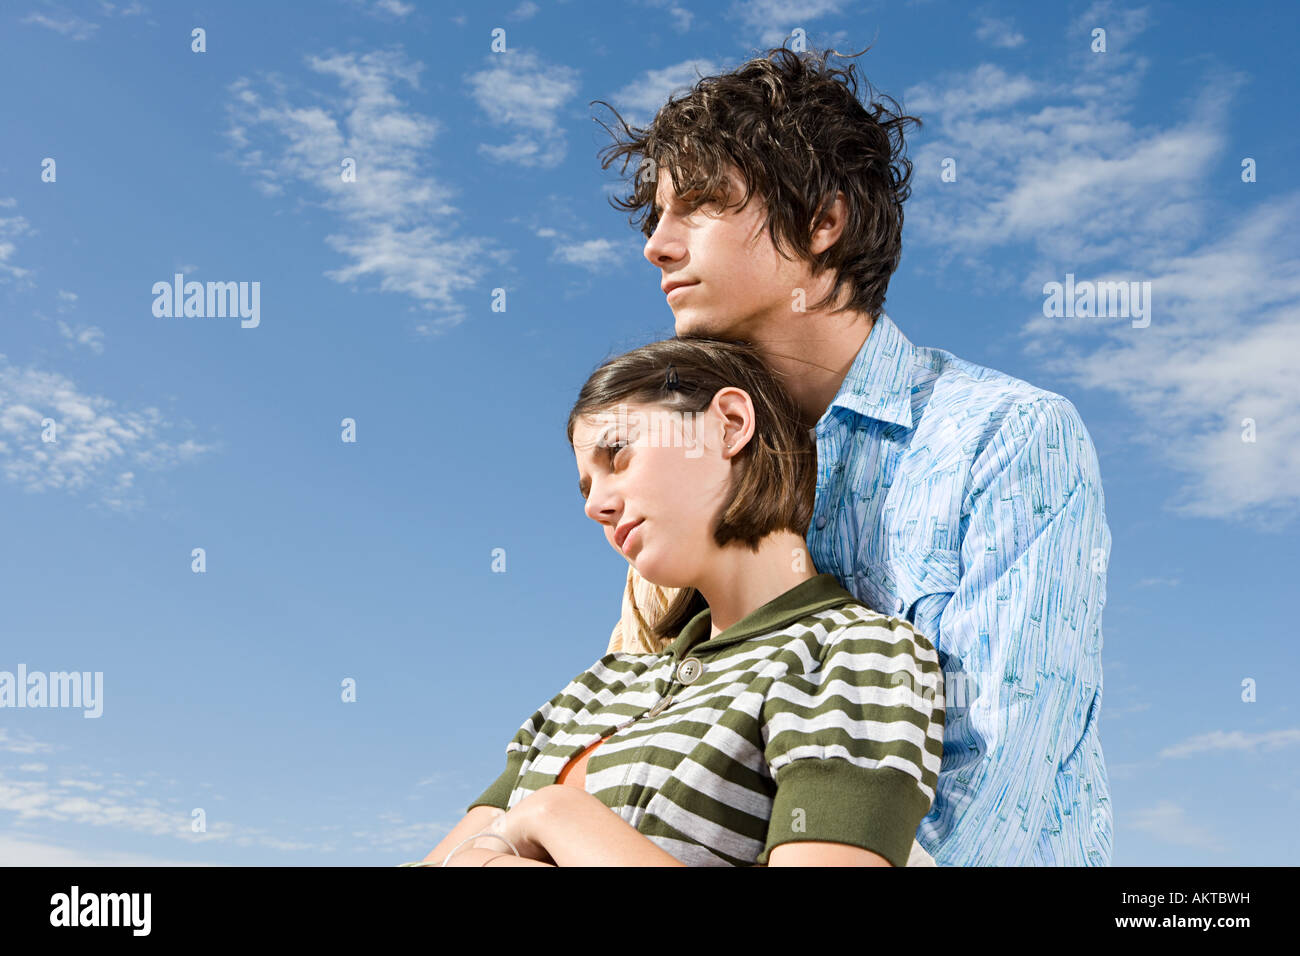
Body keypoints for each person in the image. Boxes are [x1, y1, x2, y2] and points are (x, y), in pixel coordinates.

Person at [589, 45, 1113, 866]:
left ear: (822, 223)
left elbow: (992, 799)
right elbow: (613, 757)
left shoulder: (1006, 439)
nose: (658, 244)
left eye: (696, 205)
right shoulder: (682, 488)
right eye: (656, 215)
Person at [416, 337, 944, 866]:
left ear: (729, 425)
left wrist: (555, 814)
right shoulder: (592, 691)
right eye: (585, 487)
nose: (596, 505)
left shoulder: (855, 655)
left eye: (618, 453)